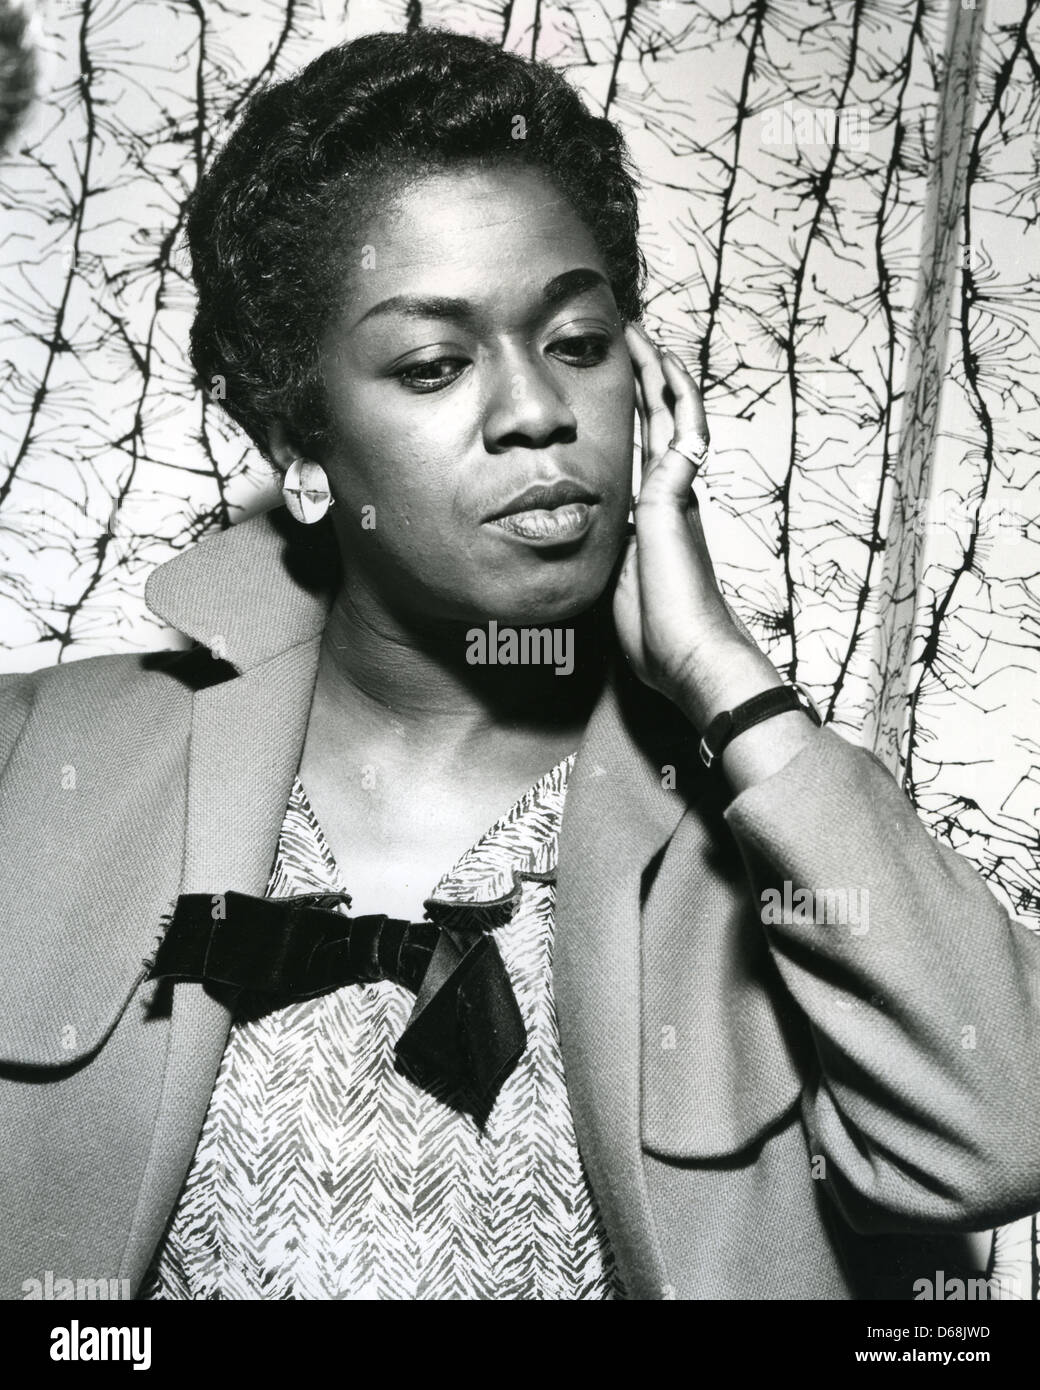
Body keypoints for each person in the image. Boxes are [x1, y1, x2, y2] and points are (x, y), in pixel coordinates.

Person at [1, 27, 1038, 1303]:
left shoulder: (781, 829)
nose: (535, 411)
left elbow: (997, 1140)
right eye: (434, 364)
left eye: (576, 341)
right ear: (297, 440)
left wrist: (728, 685)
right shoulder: (32, 768)